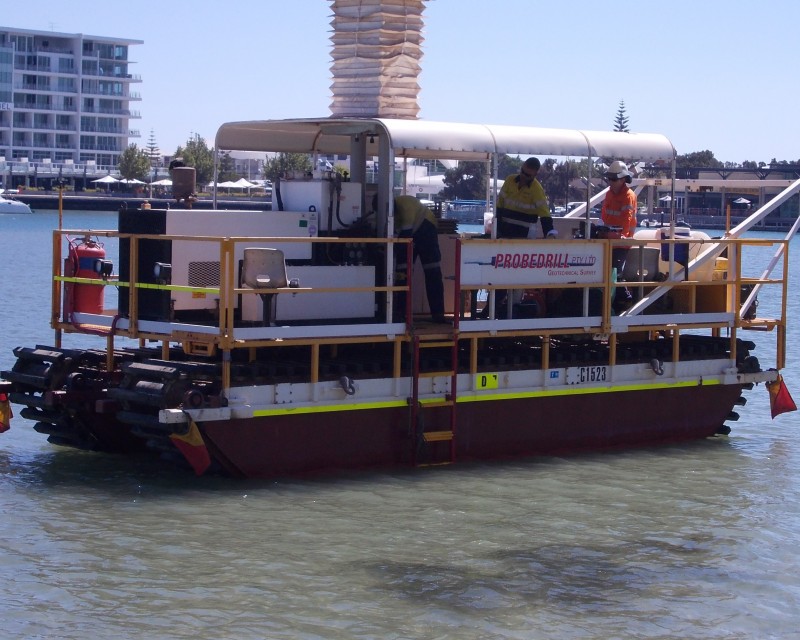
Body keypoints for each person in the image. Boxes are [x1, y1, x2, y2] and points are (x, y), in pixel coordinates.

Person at [391, 195, 446, 323]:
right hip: (412, 232)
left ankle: (438, 314)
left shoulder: (405, 206)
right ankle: (401, 313)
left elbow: (406, 234)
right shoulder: (391, 211)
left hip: (427, 229)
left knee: (432, 272)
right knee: (402, 273)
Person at [601, 160, 638, 310]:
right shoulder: (609, 194)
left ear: (623, 179)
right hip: (608, 239)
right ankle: (611, 300)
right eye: (609, 178)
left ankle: (624, 297)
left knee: (614, 268)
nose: (610, 182)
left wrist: (621, 236)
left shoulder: (628, 195)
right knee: (605, 269)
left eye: (614, 179)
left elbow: (626, 219)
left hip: (621, 242)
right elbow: (605, 216)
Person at [495, 157, 557, 239]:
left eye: (527, 175)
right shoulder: (510, 180)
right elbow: (499, 206)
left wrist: (549, 233)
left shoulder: (537, 189)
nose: (523, 176)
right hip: (505, 231)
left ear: (535, 175)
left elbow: (545, 214)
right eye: (522, 172)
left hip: (526, 234)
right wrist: (497, 229)